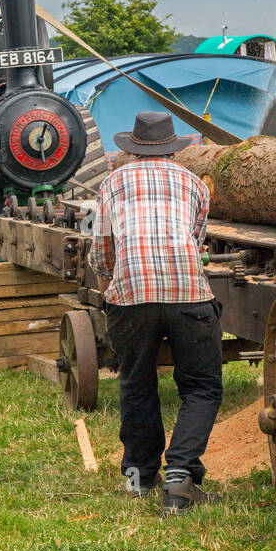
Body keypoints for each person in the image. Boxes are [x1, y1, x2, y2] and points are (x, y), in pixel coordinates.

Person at [88, 110, 224, 517]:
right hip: (188, 295)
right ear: (173, 149)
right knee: (202, 388)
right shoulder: (195, 184)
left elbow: (102, 250)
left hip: (131, 298)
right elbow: (196, 242)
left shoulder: (111, 184)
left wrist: (112, 282)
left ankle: (140, 479)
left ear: (132, 148)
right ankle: (180, 475)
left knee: (137, 383)